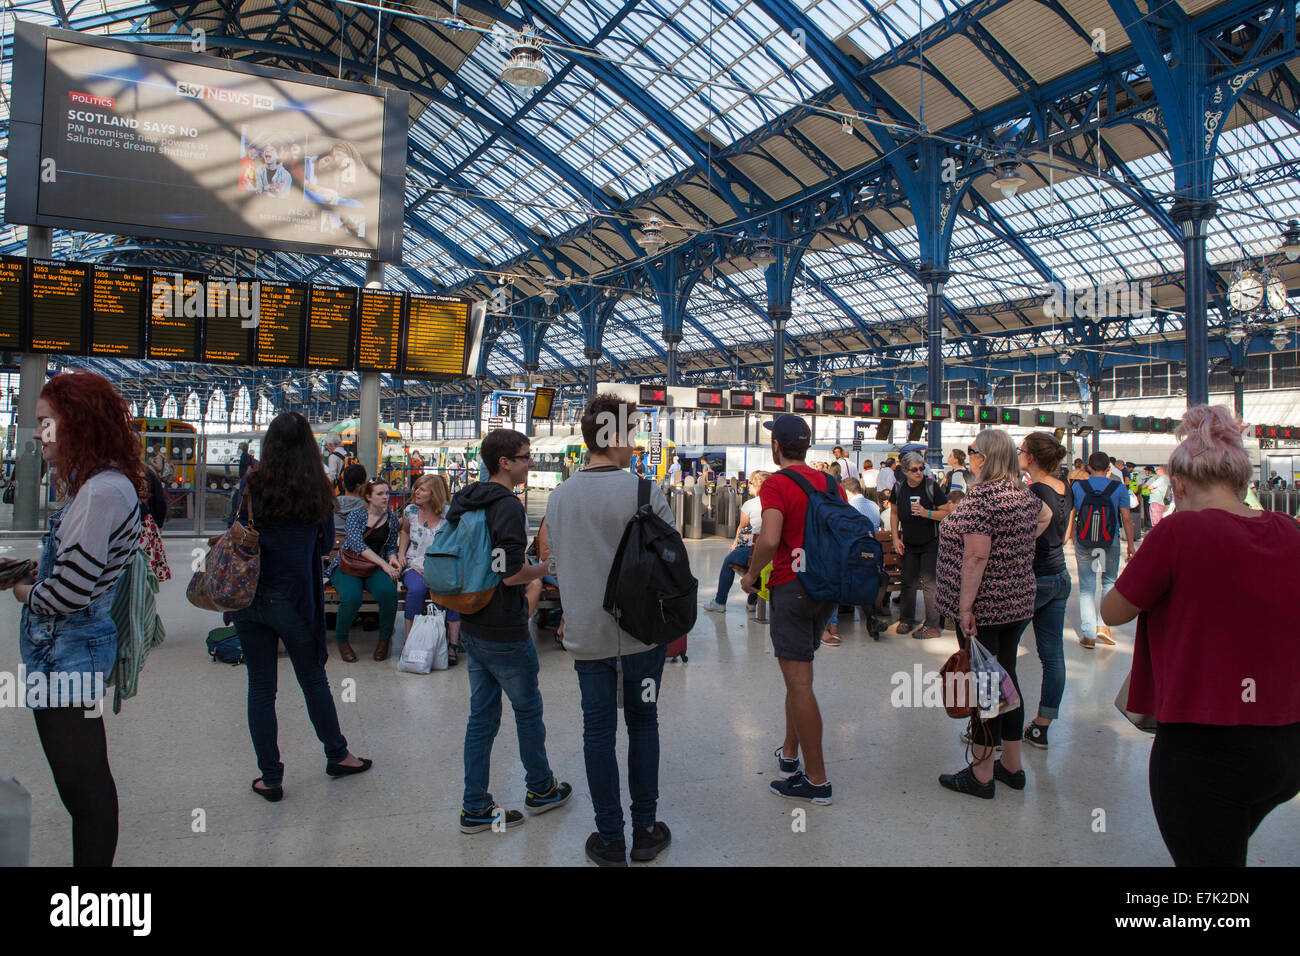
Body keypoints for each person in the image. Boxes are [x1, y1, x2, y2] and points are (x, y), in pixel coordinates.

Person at [1101, 405, 1300, 866]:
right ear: (1242, 482)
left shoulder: (1178, 532)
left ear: (1180, 483)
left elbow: (1113, 612)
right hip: (1285, 745)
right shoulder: (1290, 531)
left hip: (1204, 745)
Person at [2, 371, 144, 865]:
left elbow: (69, 591)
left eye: (46, 422)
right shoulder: (106, 483)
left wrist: (22, 589)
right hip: (69, 650)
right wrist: (29, 570)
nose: (39, 434)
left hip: (65, 652)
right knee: (83, 789)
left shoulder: (100, 491)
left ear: (77, 422)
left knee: (85, 794)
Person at [545, 395, 674, 866]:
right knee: (643, 723)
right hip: (641, 636)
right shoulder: (644, 491)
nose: (634, 442)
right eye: (632, 433)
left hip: (587, 636)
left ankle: (610, 838)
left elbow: (559, 563)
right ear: (613, 437)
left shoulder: (559, 497)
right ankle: (645, 831)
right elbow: (670, 562)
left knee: (597, 730)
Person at [229, 412, 372, 803]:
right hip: (293, 598)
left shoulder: (250, 484)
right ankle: (338, 754)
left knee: (260, 688)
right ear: (310, 447)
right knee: (312, 681)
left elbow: (234, 529)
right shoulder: (317, 489)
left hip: (248, 596)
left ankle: (270, 777)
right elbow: (326, 544)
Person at [447, 429, 571, 834]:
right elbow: (509, 573)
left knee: (481, 718)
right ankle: (540, 788)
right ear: (505, 462)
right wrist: (547, 569)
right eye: (525, 456)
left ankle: (475, 807)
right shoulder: (507, 507)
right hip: (503, 626)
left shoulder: (467, 498)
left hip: (472, 620)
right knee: (528, 709)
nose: (529, 463)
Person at [934, 428, 1052, 798]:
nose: (968, 457)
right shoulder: (1022, 495)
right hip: (1017, 602)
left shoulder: (980, 499)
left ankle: (982, 773)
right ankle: (1012, 766)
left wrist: (965, 607)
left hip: (983, 608)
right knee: (1006, 679)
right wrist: (1016, 546)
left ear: (983, 458)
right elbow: (1046, 516)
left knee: (984, 685)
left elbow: (976, 555)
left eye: (971, 452)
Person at [740, 414, 844, 805]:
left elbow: (769, 539)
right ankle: (789, 755)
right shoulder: (830, 483)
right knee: (798, 673)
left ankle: (817, 782)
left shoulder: (777, 484)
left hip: (791, 586)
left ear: (777, 447)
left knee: (799, 682)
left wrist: (752, 576)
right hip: (824, 587)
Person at [1014, 432, 1073, 750]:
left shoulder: (1034, 490)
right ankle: (1041, 727)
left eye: (1022, 450)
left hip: (1035, 579)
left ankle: (998, 725)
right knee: (1053, 657)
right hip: (1060, 574)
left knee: (1003, 652)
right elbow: (1064, 534)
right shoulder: (1066, 487)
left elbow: (1021, 536)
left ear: (1031, 457)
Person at [326, 479, 400, 662]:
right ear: (368, 497)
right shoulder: (356, 516)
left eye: (386, 493)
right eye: (380, 494)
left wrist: (392, 558)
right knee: (352, 597)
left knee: (388, 593)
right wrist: (384, 565)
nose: (385, 497)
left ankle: (384, 640)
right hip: (348, 565)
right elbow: (358, 545)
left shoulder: (390, 519)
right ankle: (342, 640)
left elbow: (390, 546)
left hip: (373, 567)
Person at [1067, 451, 1134, 648]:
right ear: (1108, 469)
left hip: (1085, 541)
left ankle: (1088, 634)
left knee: (1087, 586)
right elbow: (1127, 518)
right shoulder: (1119, 487)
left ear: (1088, 467)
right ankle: (1103, 625)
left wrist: (1071, 537)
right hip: (1109, 541)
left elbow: (1073, 513)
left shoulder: (1078, 486)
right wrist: (1130, 544)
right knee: (1108, 581)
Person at [397, 474, 461, 664]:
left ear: (434, 494)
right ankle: (410, 640)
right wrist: (401, 553)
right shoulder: (410, 511)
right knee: (416, 590)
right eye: (417, 488)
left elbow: (455, 541)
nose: (416, 492)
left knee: (451, 591)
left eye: (422, 489)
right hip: (415, 563)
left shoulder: (448, 515)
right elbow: (405, 531)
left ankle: (453, 644)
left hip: (440, 565)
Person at [889, 451, 951, 639]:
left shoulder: (931, 486)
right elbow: (894, 512)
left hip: (930, 542)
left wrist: (927, 513)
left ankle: (932, 624)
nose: (919, 473)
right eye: (914, 470)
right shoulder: (899, 487)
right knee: (907, 581)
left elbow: (946, 512)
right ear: (905, 471)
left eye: (921, 468)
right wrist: (895, 538)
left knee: (930, 584)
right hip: (909, 543)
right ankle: (906, 619)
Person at [703, 470, 771, 613]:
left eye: (751, 483)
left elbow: (742, 527)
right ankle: (752, 602)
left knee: (729, 560)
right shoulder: (777, 502)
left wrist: (734, 544)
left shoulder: (750, 504)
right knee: (758, 563)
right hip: (775, 552)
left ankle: (719, 602)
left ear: (758, 485)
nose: (749, 486)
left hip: (756, 550)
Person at [334, 463, 368, 534]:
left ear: (343, 484)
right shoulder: (368, 508)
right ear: (362, 485)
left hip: (333, 543)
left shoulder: (331, 504)